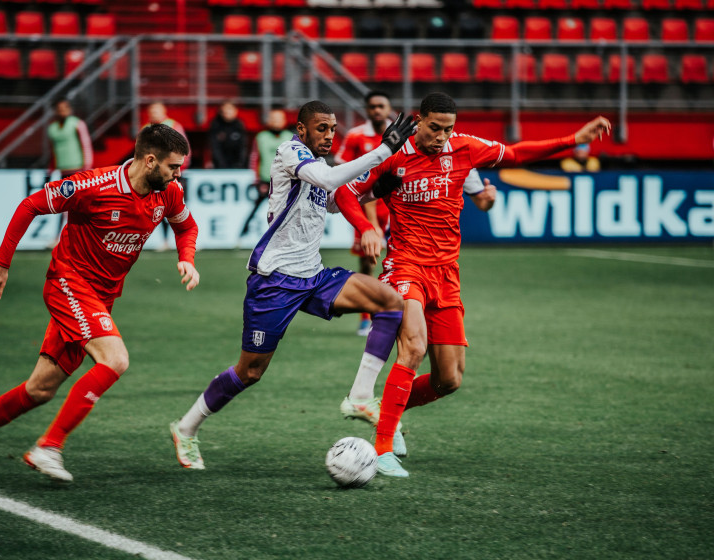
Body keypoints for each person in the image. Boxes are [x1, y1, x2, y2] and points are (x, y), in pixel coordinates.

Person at [334, 92, 611, 477]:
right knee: (413, 348)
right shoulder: (394, 155)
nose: (441, 136)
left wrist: (573, 139)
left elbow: (516, 154)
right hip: (405, 266)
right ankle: (382, 450)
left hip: (447, 274)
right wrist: (366, 227)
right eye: (434, 128)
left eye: (447, 129)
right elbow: (345, 191)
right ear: (419, 120)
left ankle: (387, 409)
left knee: (449, 379)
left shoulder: (464, 148)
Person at [0, 124, 199, 482]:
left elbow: (186, 227)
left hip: (101, 298)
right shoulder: (93, 185)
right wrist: (1, 264)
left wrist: (187, 258)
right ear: (150, 161)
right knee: (115, 359)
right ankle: (50, 446)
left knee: (40, 390)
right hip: (68, 283)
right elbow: (30, 205)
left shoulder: (168, 193)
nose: (178, 174)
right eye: (173, 166)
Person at [168, 100, 416, 470]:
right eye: (321, 128)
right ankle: (186, 428)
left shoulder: (318, 165)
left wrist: (375, 189)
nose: (329, 136)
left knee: (390, 302)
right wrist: (384, 150)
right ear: (301, 129)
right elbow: (330, 181)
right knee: (250, 372)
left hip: (313, 276)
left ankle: (362, 396)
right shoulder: (291, 151)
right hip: (275, 281)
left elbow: (333, 202)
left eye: (332, 129)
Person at [335, 91, 394, 336]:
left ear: (388, 108)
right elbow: (342, 168)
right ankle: (366, 317)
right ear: (367, 110)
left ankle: (394, 314)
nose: (377, 110)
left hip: (394, 208)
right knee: (367, 263)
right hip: (365, 206)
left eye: (381, 106)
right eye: (372, 106)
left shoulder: (400, 135)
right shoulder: (356, 135)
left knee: (398, 262)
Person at [239, 108, 292, 244]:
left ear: (284, 121)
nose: (276, 122)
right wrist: (257, 180)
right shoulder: (261, 137)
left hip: (284, 181)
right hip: (265, 180)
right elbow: (254, 158)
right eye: (273, 119)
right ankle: (242, 236)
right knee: (256, 209)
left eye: (279, 119)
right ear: (269, 121)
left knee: (287, 210)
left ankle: (286, 238)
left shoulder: (290, 137)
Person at [47, 98, 94, 244]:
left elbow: (86, 145)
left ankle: (87, 236)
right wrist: (51, 168)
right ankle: (63, 237)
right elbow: (53, 151)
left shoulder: (77, 124)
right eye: (60, 108)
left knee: (80, 205)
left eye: (65, 108)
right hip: (63, 172)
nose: (63, 111)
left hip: (78, 170)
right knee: (65, 205)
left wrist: (87, 169)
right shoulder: (52, 129)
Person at [147, 101, 192, 250]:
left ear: (163, 111)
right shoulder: (146, 129)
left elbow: (185, 149)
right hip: (156, 175)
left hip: (173, 175)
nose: (154, 114)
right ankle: (165, 240)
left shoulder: (173, 126)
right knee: (160, 208)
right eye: (152, 111)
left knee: (180, 208)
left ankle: (187, 240)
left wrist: (179, 169)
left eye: (156, 110)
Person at [209, 100, 249, 169]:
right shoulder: (216, 125)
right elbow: (215, 148)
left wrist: (240, 164)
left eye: (229, 109)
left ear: (235, 111)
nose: (227, 111)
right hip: (220, 166)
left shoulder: (239, 125)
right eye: (224, 109)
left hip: (238, 166)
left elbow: (243, 147)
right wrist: (221, 165)